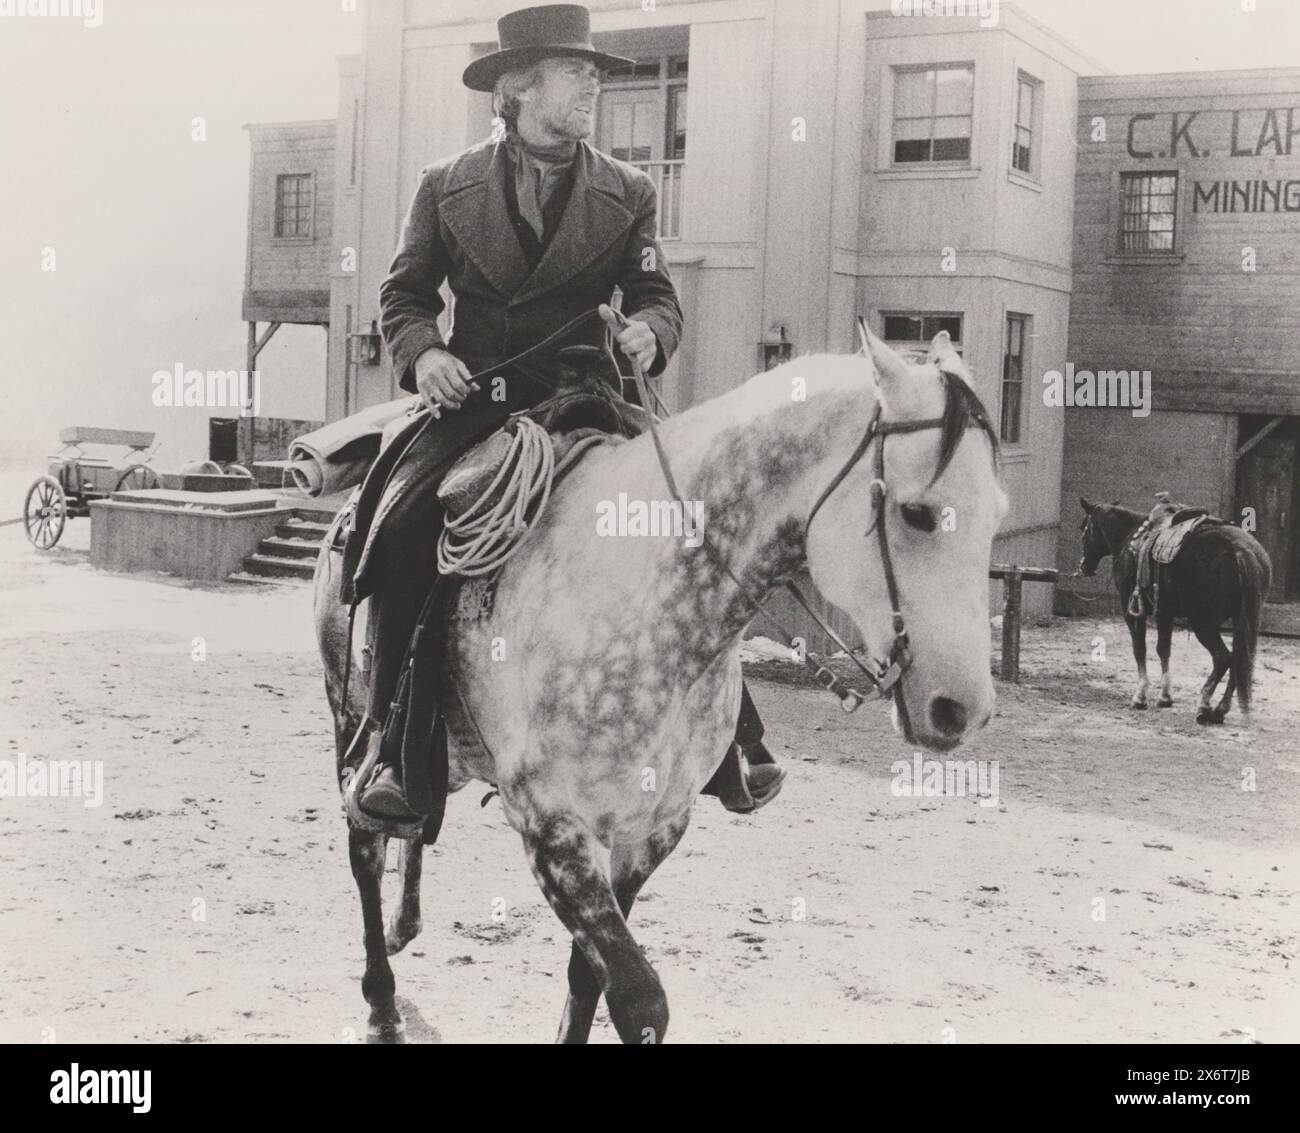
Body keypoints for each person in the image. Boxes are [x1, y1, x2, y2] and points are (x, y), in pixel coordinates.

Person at [351, 3, 784, 826]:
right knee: (403, 529)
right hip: (477, 402)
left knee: (684, 528)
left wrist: (649, 337)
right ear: (517, 88)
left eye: (593, 74)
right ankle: (396, 751)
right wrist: (426, 354)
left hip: (587, 395)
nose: (592, 85)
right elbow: (404, 296)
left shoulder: (630, 192)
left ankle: (735, 741)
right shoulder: (444, 186)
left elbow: (658, 297)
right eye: (575, 73)